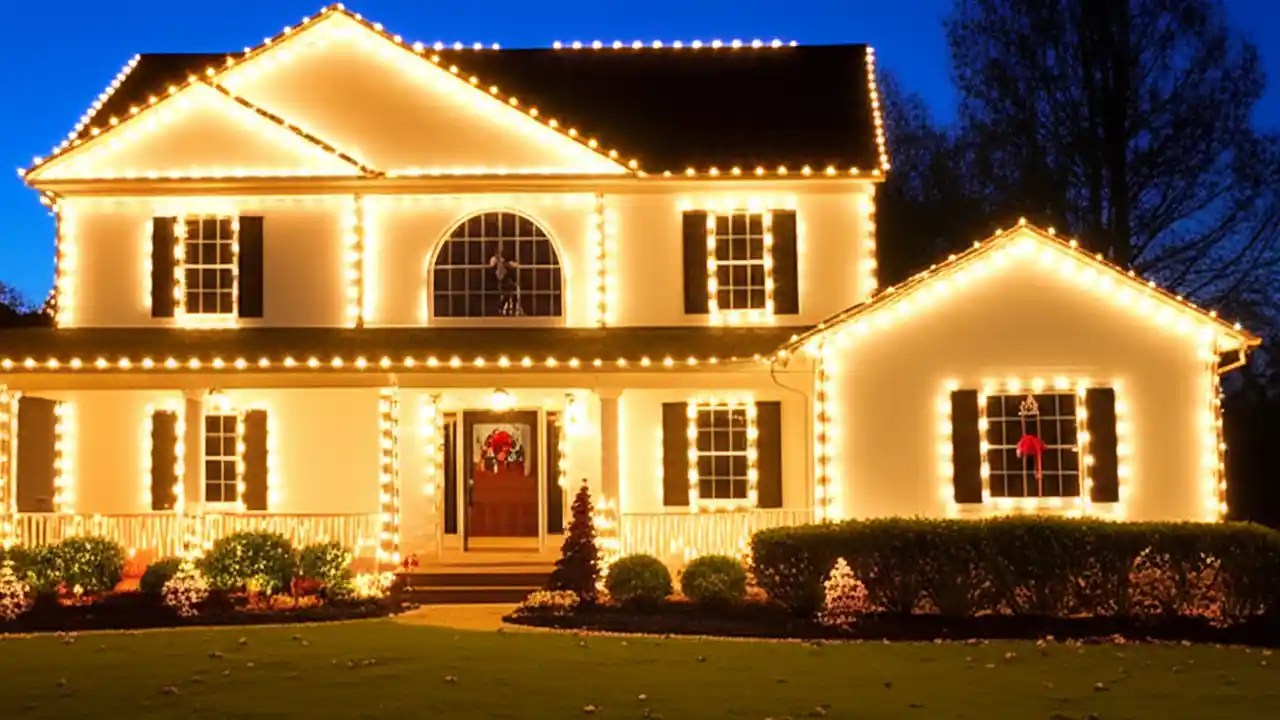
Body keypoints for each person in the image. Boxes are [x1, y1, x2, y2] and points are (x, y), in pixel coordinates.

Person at [489, 245, 522, 316]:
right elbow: (491, 266)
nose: (499, 253)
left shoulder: (502, 259)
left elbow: (509, 264)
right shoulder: (494, 259)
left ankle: (511, 307)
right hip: (498, 280)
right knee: (511, 290)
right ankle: (505, 307)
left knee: (512, 290)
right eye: (498, 252)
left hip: (504, 279)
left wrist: (513, 264)